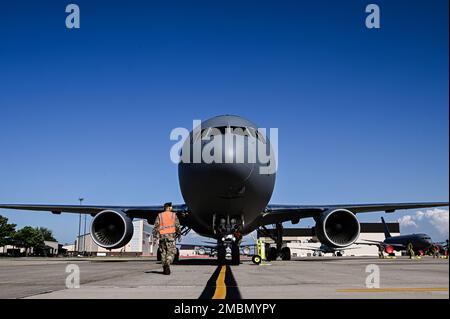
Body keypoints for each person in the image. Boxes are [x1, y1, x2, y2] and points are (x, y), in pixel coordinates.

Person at [153, 202, 181, 275]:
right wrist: (179, 233)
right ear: (168, 207)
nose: (172, 208)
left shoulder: (160, 215)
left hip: (162, 237)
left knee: (163, 252)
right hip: (170, 237)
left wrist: (155, 236)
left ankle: (164, 267)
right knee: (171, 252)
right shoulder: (173, 215)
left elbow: (156, 227)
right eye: (171, 206)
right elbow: (177, 226)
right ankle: (167, 263)